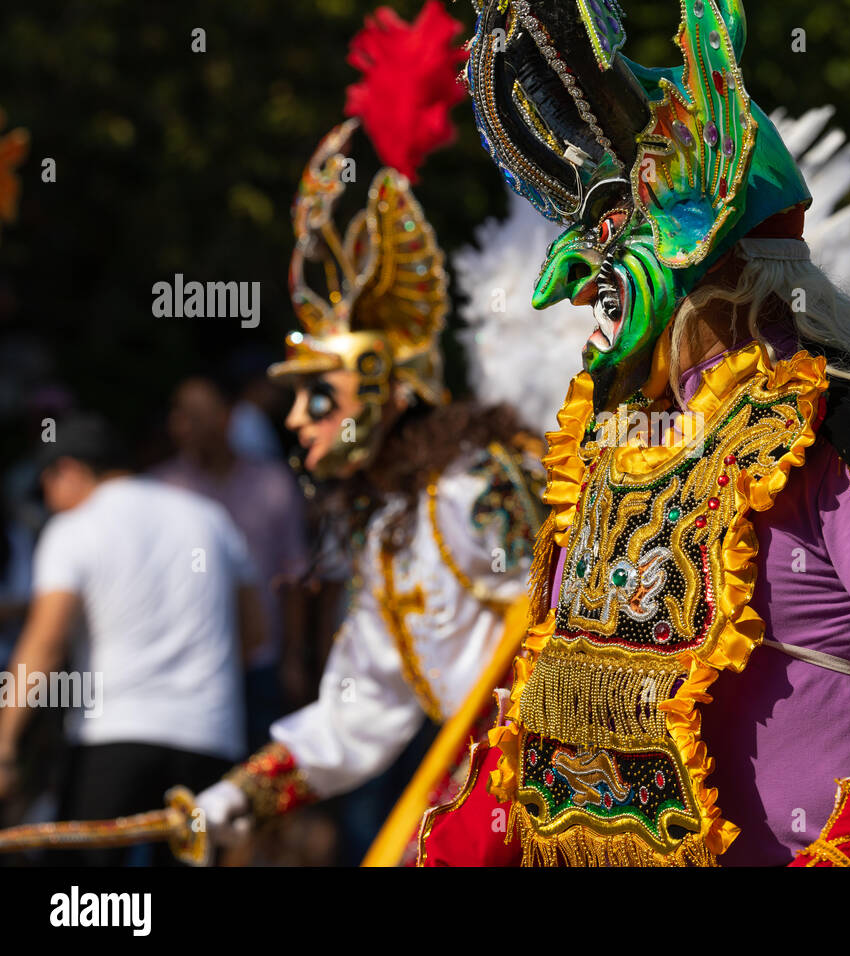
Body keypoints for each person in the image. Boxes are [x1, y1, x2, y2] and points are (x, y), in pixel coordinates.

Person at [419, 0, 850, 867]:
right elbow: (545, 691)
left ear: (715, 258)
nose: (587, 286)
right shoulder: (609, 437)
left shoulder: (840, 430)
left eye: (618, 242)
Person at [188, 3, 584, 867]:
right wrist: (231, 799)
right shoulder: (390, 532)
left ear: (380, 385)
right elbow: (360, 711)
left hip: (558, 800)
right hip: (483, 800)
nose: (296, 421)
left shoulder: (482, 485)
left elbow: (573, 628)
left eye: (316, 396)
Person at [0, 414, 260, 865]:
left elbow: (44, 643)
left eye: (47, 484)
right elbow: (257, 634)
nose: (47, 500)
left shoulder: (74, 529)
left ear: (70, 471)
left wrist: (5, 742)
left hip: (112, 736)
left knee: (84, 904)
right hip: (211, 736)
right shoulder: (209, 518)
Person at [153, 375, 308, 750]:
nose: (182, 425)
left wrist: (294, 658)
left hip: (260, 664)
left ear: (226, 418)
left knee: (259, 779)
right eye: (178, 414)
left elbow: (294, 577)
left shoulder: (271, 483)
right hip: (186, 666)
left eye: (196, 415)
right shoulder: (160, 489)